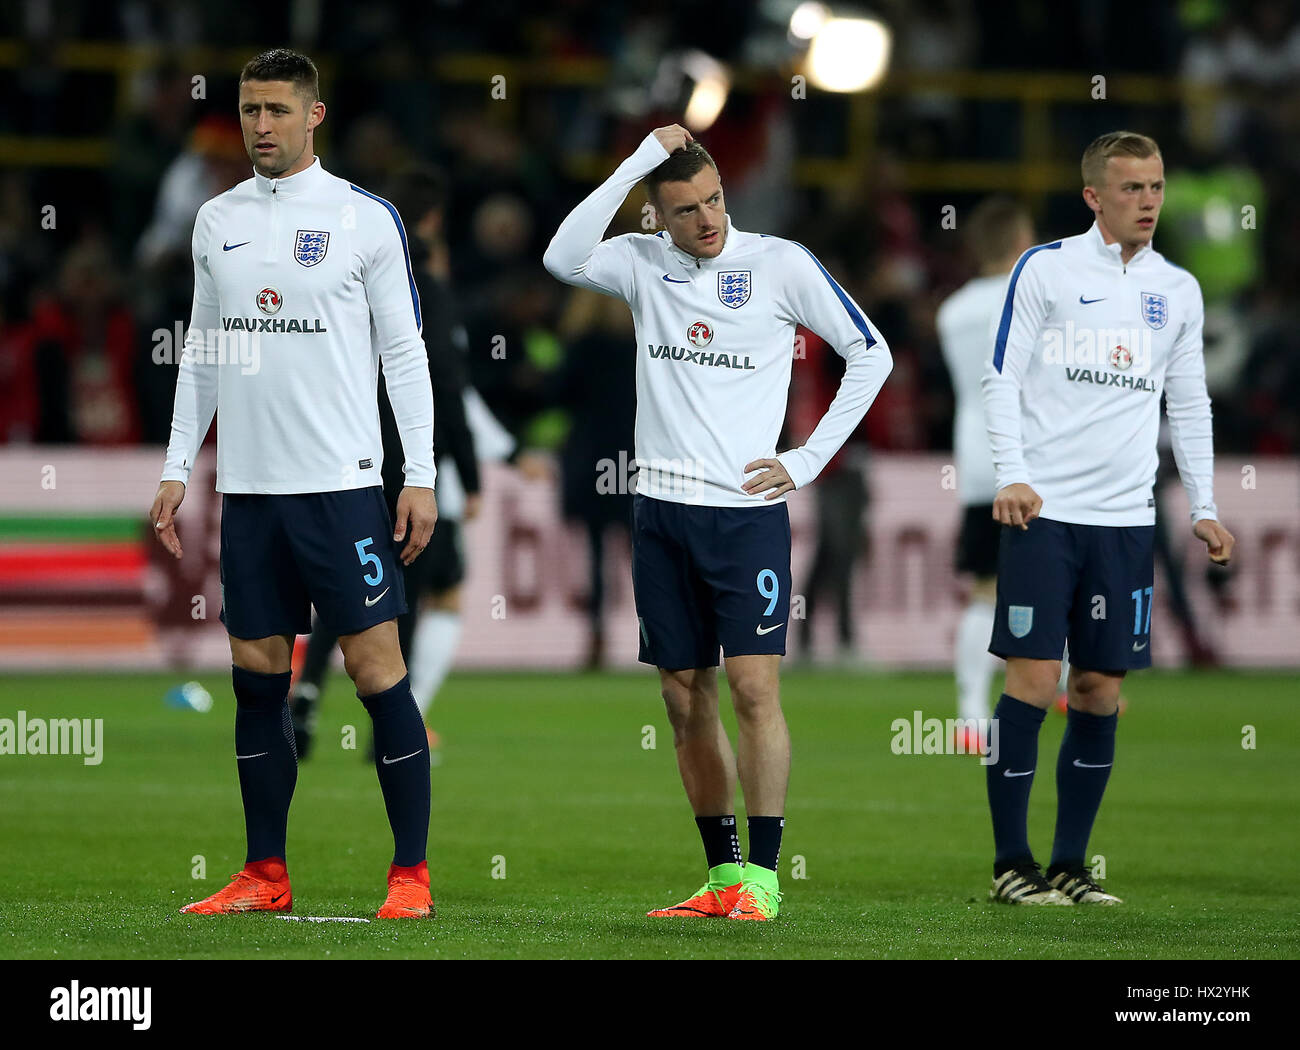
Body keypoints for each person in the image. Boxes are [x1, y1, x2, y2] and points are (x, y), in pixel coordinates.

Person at [543, 125, 893, 921]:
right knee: (680, 696)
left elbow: (871, 353)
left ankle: (765, 878)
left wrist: (804, 461)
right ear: (655, 217)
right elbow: (561, 257)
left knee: (753, 689)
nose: (707, 220)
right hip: (661, 512)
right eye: (685, 209)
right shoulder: (641, 265)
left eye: (714, 201)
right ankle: (723, 875)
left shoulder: (779, 263)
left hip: (744, 517)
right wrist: (633, 162)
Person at [149, 49, 439, 920]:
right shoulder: (215, 220)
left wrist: (416, 474)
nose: (260, 125)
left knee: (375, 669)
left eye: (277, 109)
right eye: (248, 110)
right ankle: (264, 873)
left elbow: (405, 353)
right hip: (250, 490)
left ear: (316, 115)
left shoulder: (364, 219)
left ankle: (410, 876)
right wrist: (174, 466)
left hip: (341, 487)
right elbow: (202, 353)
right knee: (255, 678)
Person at [981, 131, 1235, 905]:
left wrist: (1206, 506)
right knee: (1032, 677)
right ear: (1094, 196)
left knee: (1098, 689)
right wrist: (1012, 475)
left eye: (1157, 187)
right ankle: (1010, 865)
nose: (1150, 201)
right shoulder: (1047, 268)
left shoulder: (1179, 291)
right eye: (1132, 189)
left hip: (1125, 523)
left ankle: (1068, 865)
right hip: (1045, 513)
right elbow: (1002, 378)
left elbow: (1188, 402)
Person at [288, 165, 480, 764]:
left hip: (345, 455)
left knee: (347, 586)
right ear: (435, 220)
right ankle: (396, 728)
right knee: (414, 591)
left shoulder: (352, 269)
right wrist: (467, 473)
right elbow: (444, 382)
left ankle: (310, 692)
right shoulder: (428, 285)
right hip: (408, 462)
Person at [935, 196, 1035, 742]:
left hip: (976, 460)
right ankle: (1066, 688)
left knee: (985, 586)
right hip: (1035, 457)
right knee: (1058, 580)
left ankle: (972, 713)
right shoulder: (1036, 299)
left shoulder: (952, 311)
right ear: (1022, 240)